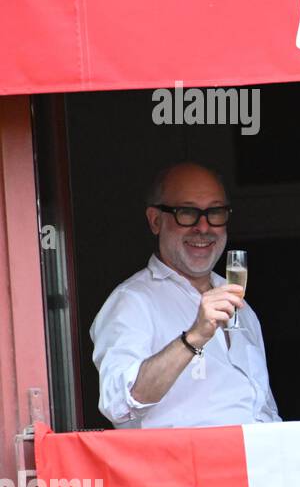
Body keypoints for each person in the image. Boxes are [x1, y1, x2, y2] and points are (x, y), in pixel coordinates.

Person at [90, 162, 280, 428]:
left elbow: (262, 407)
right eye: (187, 213)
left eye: (215, 212)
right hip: (187, 467)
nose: (203, 227)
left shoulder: (238, 300)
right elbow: (118, 404)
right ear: (155, 221)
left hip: (258, 463)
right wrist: (194, 337)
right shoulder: (132, 301)